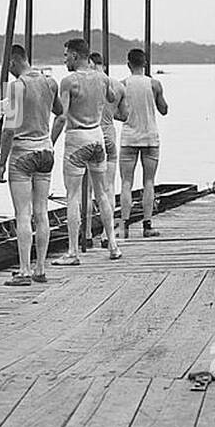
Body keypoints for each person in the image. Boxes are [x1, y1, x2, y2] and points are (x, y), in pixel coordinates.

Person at [0, 44, 62, 286]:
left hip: (23, 153)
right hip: (45, 150)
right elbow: (60, 111)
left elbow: (9, 129)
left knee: (23, 214)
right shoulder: (50, 82)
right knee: (41, 212)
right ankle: (40, 268)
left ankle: (24, 271)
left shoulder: (16, 87)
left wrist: (1, 163)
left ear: (13, 62)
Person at [51, 37, 122, 264]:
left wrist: (50, 143)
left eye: (65, 56)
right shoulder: (102, 77)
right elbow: (112, 97)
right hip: (97, 135)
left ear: (74, 55)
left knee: (73, 196)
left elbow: (62, 116)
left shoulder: (69, 81)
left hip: (77, 137)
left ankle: (72, 252)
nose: (64, 60)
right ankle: (113, 245)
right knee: (102, 193)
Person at [117, 47, 168, 237]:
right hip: (150, 138)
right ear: (145, 63)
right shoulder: (154, 84)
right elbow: (163, 109)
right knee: (149, 182)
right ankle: (147, 225)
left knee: (126, 182)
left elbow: (116, 113)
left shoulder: (122, 85)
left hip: (129, 138)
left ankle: (124, 226)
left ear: (128, 64)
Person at [89, 51, 123, 245]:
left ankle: (85, 234)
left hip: (91, 134)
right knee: (108, 188)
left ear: (92, 64)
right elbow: (125, 115)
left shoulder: (84, 82)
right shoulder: (116, 85)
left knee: (87, 189)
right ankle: (106, 235)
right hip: (109, 133)